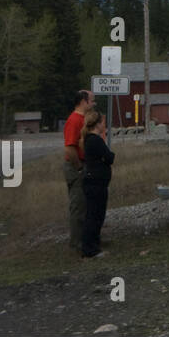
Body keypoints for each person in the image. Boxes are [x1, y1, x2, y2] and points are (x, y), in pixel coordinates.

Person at [80, 110, 115, 258]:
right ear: (97, 124)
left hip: (95, 181)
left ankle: (93, 244)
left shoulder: (89, 139)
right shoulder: (95, 139)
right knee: (94, 215)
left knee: (94, 214)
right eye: (102, 123)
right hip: (96, 182)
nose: (104, 125)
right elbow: (109, 157)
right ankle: (90, 249)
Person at [63, 90, 93, 252]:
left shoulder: (84, 120)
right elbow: (69, 148)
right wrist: (80, 167)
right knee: (78, 205)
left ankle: (87, 239)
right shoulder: (74, 120)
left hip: (84, 164)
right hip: (76, 166)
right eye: (91, 101)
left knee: (86, 205)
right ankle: (77, 243)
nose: (93, 104)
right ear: (83, 101)